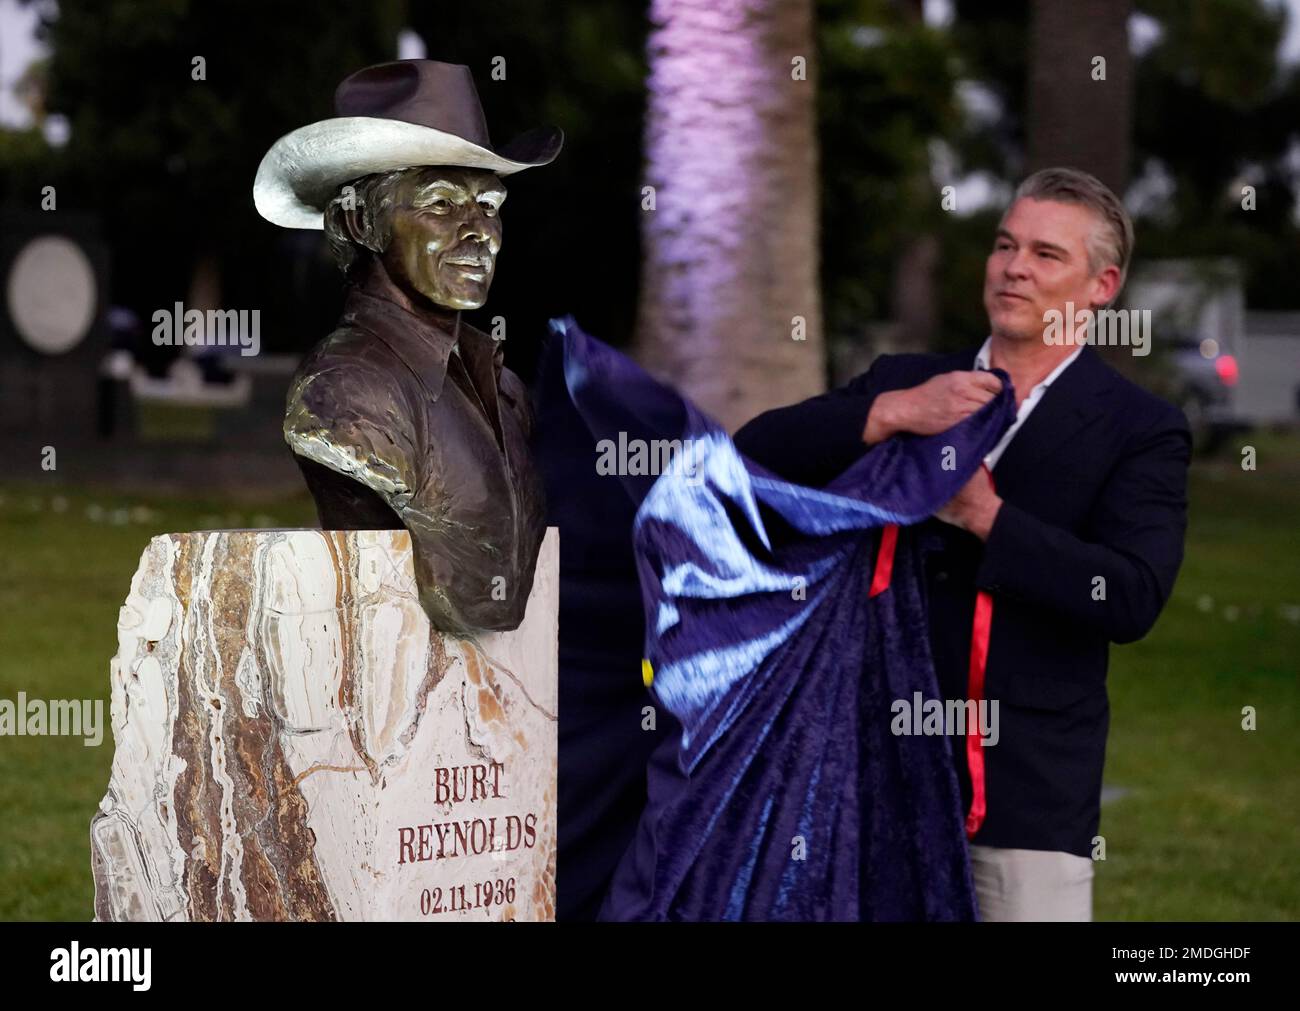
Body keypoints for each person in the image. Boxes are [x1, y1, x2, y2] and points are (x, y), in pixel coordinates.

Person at [735, 167, 1191, 921]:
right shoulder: (909, 380)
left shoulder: (1138, 428)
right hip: (867, 779)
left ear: (1102, 286)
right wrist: (888, 412)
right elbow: (751, 456)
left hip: (1022, 804)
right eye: (1005, 244)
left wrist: (987, 517)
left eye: (1047, 254)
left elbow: (1132, 593)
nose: (1014, 267)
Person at [253, 59, 563, 635]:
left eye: (490, 206)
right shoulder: (345, 393)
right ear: (359, 224)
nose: (480, 232)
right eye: (442, 204)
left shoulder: (504, 388)